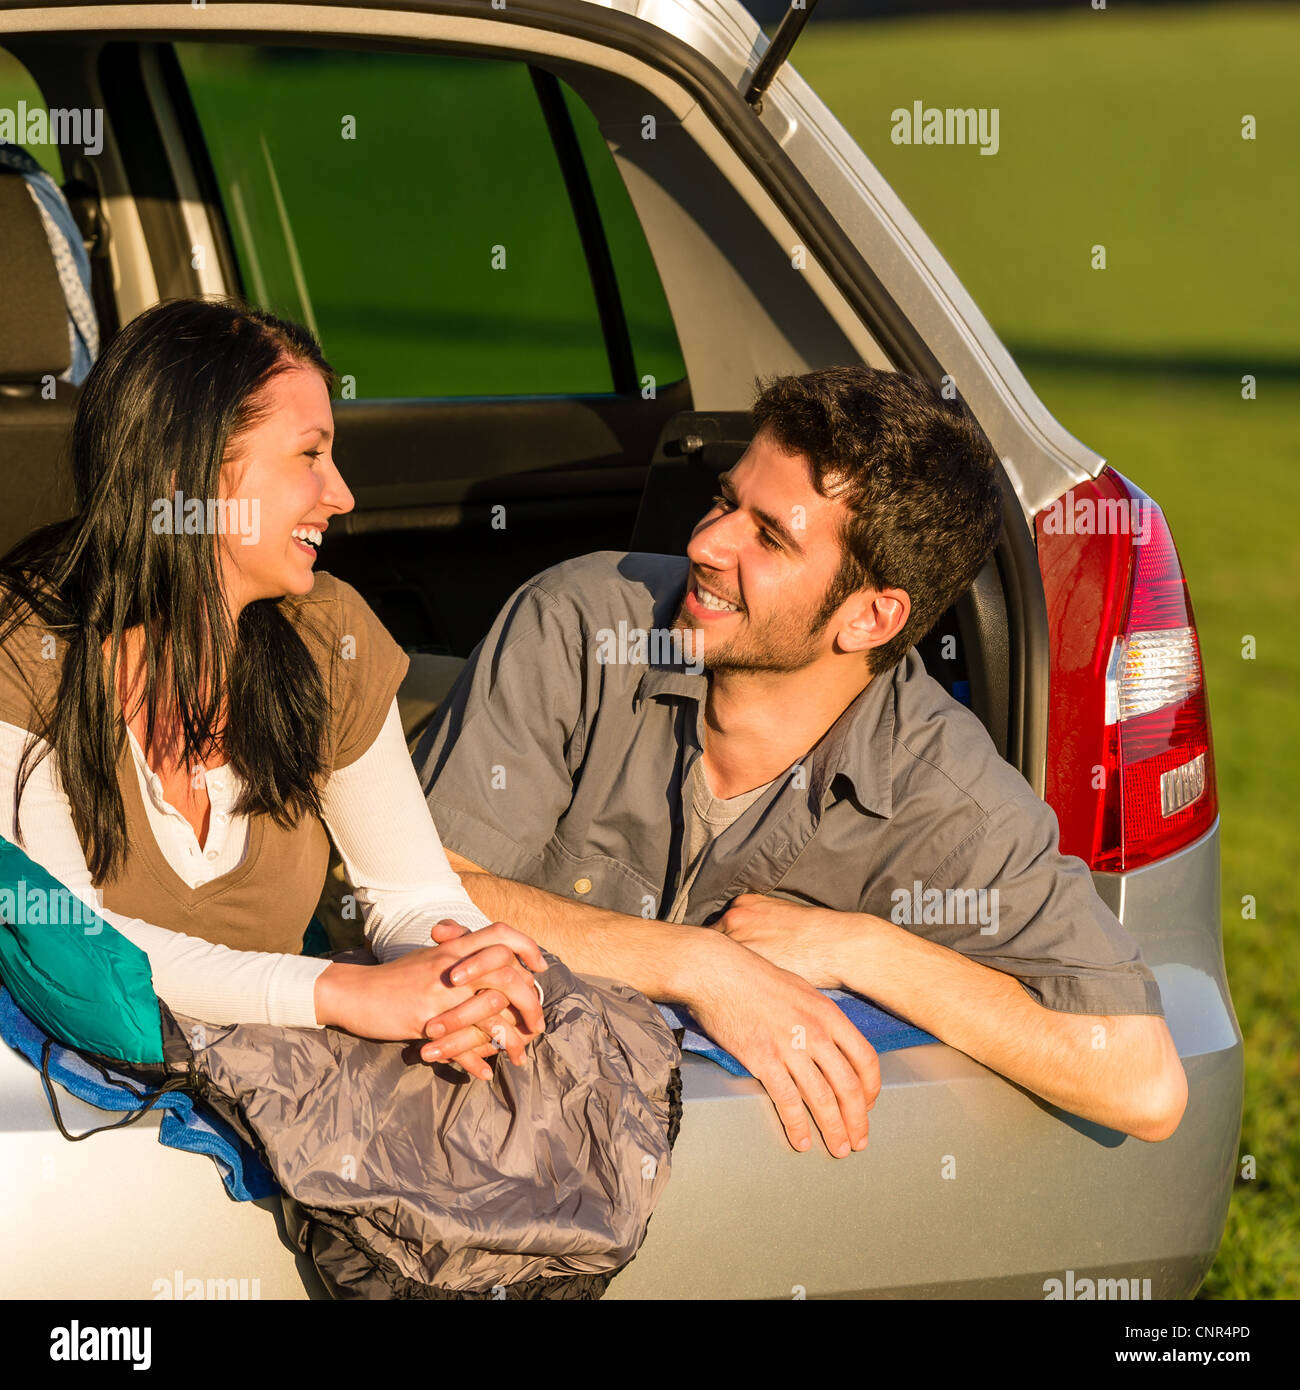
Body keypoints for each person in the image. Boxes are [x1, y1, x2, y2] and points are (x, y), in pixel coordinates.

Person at [418, 365, 1189, 1154]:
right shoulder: (577, 624)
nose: (706, 542)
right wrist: (702, 966)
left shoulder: (949, 791)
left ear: (870, 617)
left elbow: (1141, 1080)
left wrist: (862, 948)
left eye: (770, 536)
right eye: (725, 501)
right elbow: (416, 895)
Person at [0, 297, 544, 1080]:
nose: (342, 495)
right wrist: (345, 992)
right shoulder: (28, 647)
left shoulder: (330, 636)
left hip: (272, 1114)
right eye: (309, 456)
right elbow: (87, 953)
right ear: (190, 470)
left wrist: (465, 988)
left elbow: (412, 895)